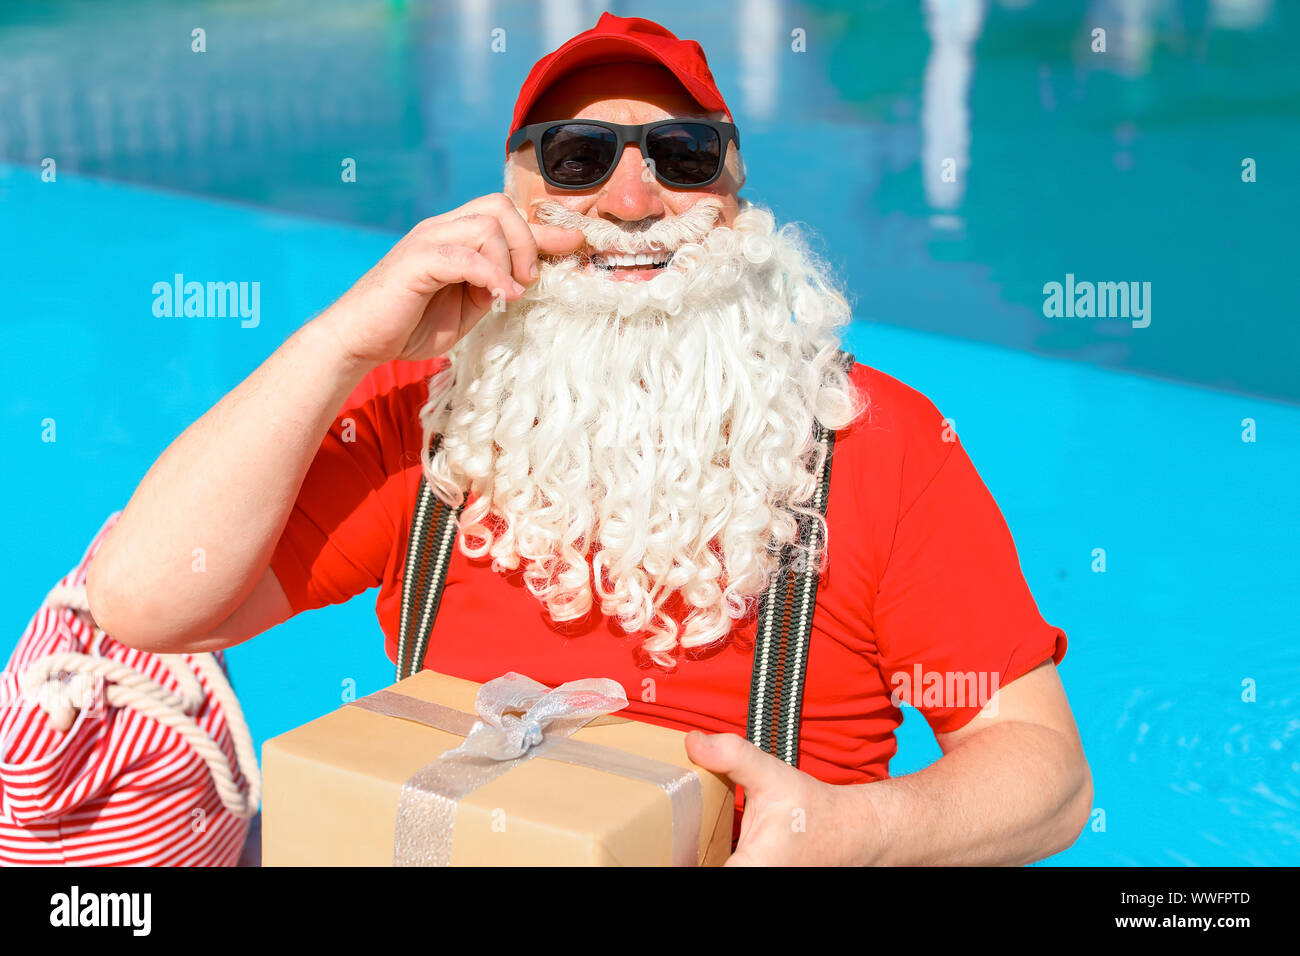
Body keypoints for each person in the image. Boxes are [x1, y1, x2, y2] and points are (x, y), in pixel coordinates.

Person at [86, 13, 1091, 865]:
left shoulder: (875, 441)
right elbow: (144, 601)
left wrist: (855, 827)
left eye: (681, 156)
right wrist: (345, 338)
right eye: (578, 161)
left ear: (734, 201)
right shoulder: (428, 413)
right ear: (515, 204)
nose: (629, 200)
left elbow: (1044, 775)